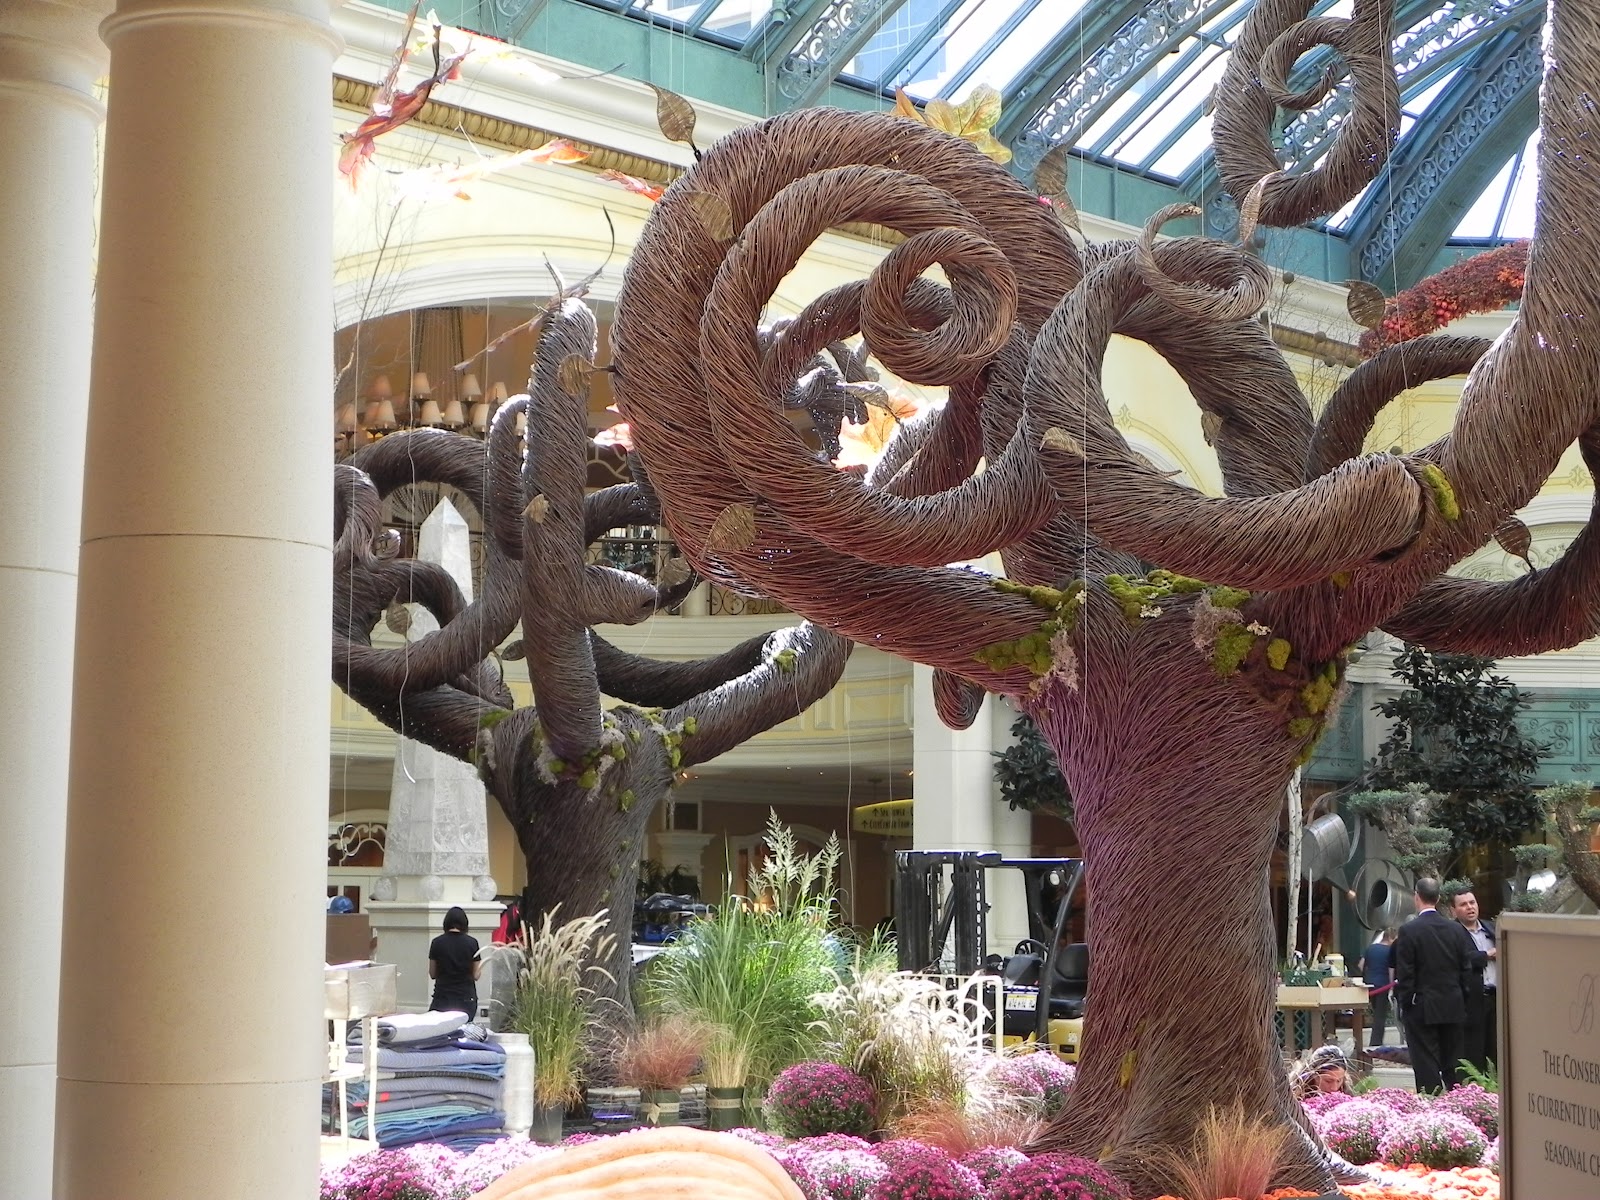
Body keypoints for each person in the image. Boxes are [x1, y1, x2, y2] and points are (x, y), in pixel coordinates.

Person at [1393, 877, 1476, 1092]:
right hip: (1453, 1003)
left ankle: (1431, 1104)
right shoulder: (1457, 930)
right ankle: (1458, 1103)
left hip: (1422, 1004)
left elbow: (1405, 974)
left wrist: (1406, 1003)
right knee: (1454, 1060)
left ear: (1416, 897)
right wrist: (1463, 999)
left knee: (1425, 1061)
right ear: (1438, 898)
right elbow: (1465, 969)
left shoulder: (1409, 931)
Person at [1451, 888, 1497, 1073]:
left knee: (1496, 1050)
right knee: (1473, 1052)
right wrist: (1485, 955)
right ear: (1454, 910)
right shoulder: (1452, 932)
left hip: (1497, 997)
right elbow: (1457, 959)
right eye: (1463, 904)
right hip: (1471, 1001)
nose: (1470, 907)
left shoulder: (1491, 928)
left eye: (1472, 902)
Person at [427, 906, 482, 1019]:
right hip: (466, 998)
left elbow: (432, 973)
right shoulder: (472, 943)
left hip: (442, 998)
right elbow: (476, 975)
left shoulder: (437, 942)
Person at [1359, 927, 1398, 1046]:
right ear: (1391, 938)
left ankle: (1375, 1040)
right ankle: (1376, 1042)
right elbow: (1391, 969)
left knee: (1376, 1012)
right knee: (1380, 1016)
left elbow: (1361, 965)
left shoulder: (1371, 948)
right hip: (1384, 985)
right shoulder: (1390, 951)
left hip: (1370, 984)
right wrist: (1392, 986)